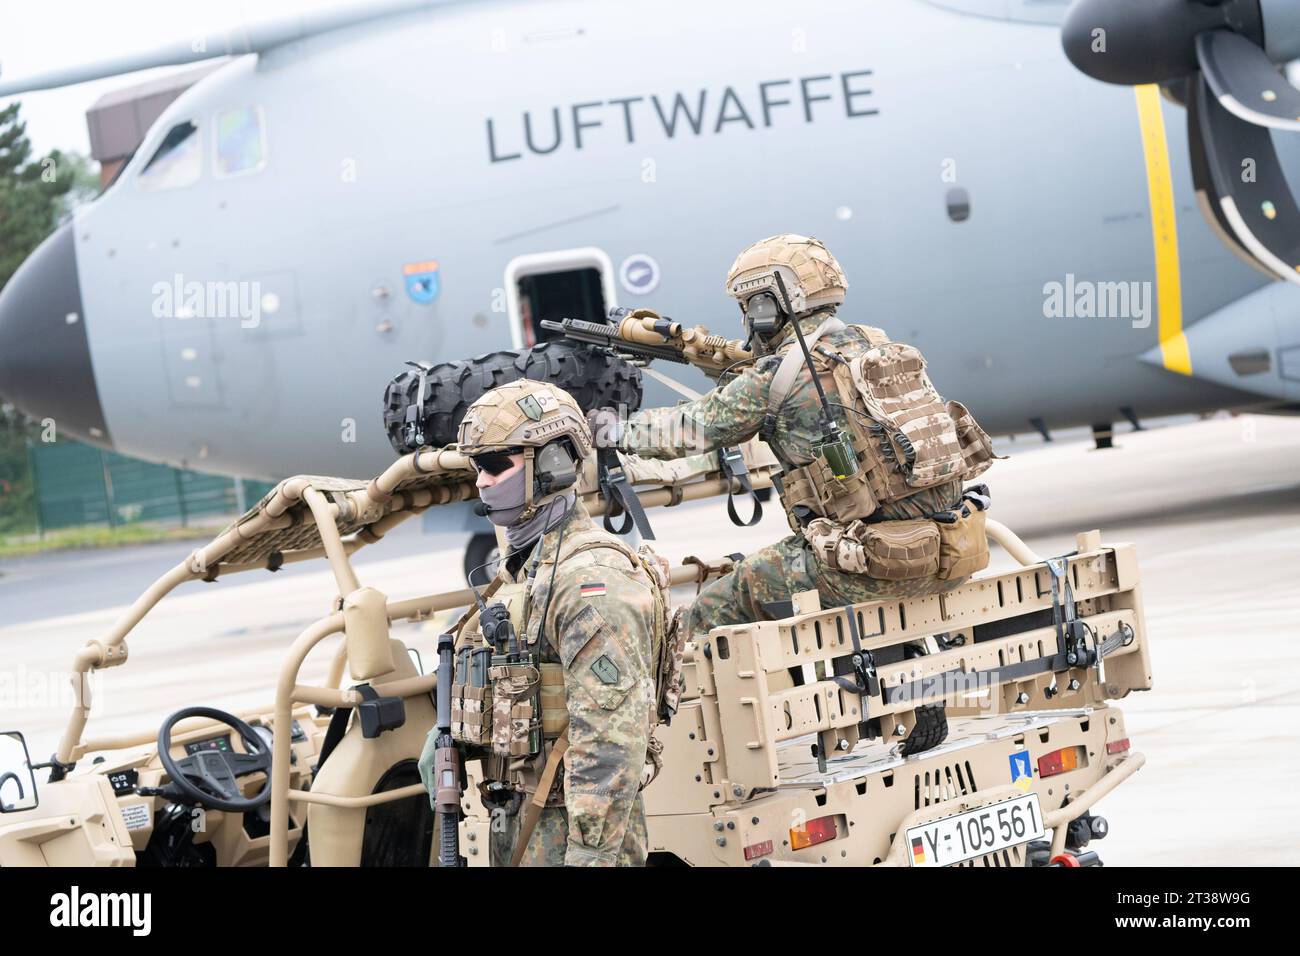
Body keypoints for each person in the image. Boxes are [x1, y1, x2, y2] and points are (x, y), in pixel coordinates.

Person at [589, 234, 996, 643]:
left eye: (750, 307)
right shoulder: (878, 347)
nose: (748, 318)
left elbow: (693, 427)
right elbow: (771, 385)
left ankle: (673, 695)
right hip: (951, 554)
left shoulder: (776, 377)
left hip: (868, 573)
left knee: (729, 595)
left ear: (770, 305)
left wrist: (613, 427)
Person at [420, 379, 668, 866]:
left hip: (576, 835)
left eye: (495, 465)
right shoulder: (524, 570)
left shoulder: (589, 579)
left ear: (552, 464)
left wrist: (589, 857)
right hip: (522, 823)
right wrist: (457, 737)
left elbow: (611, 744)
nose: (482, 481)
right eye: (477, 467)